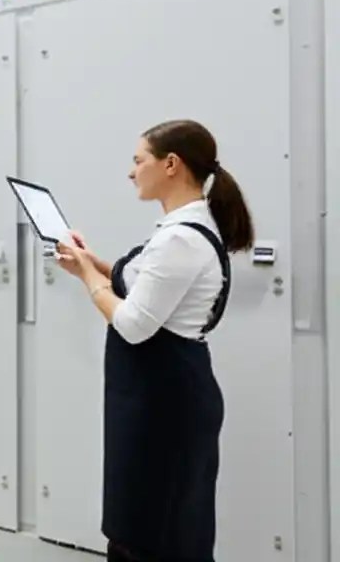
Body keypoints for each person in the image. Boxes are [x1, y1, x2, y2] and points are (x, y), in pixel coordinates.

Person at [53, 119, 254, 562]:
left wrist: (88, 278)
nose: (131, 171)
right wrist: (91, 264)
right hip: (155, 399)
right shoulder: (177, 230)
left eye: (137, 160)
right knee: (143, 524)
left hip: (166, 405)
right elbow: (142, 288)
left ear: (171, 164)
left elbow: (132, 323)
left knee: (156, 533)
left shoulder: (181, 238)